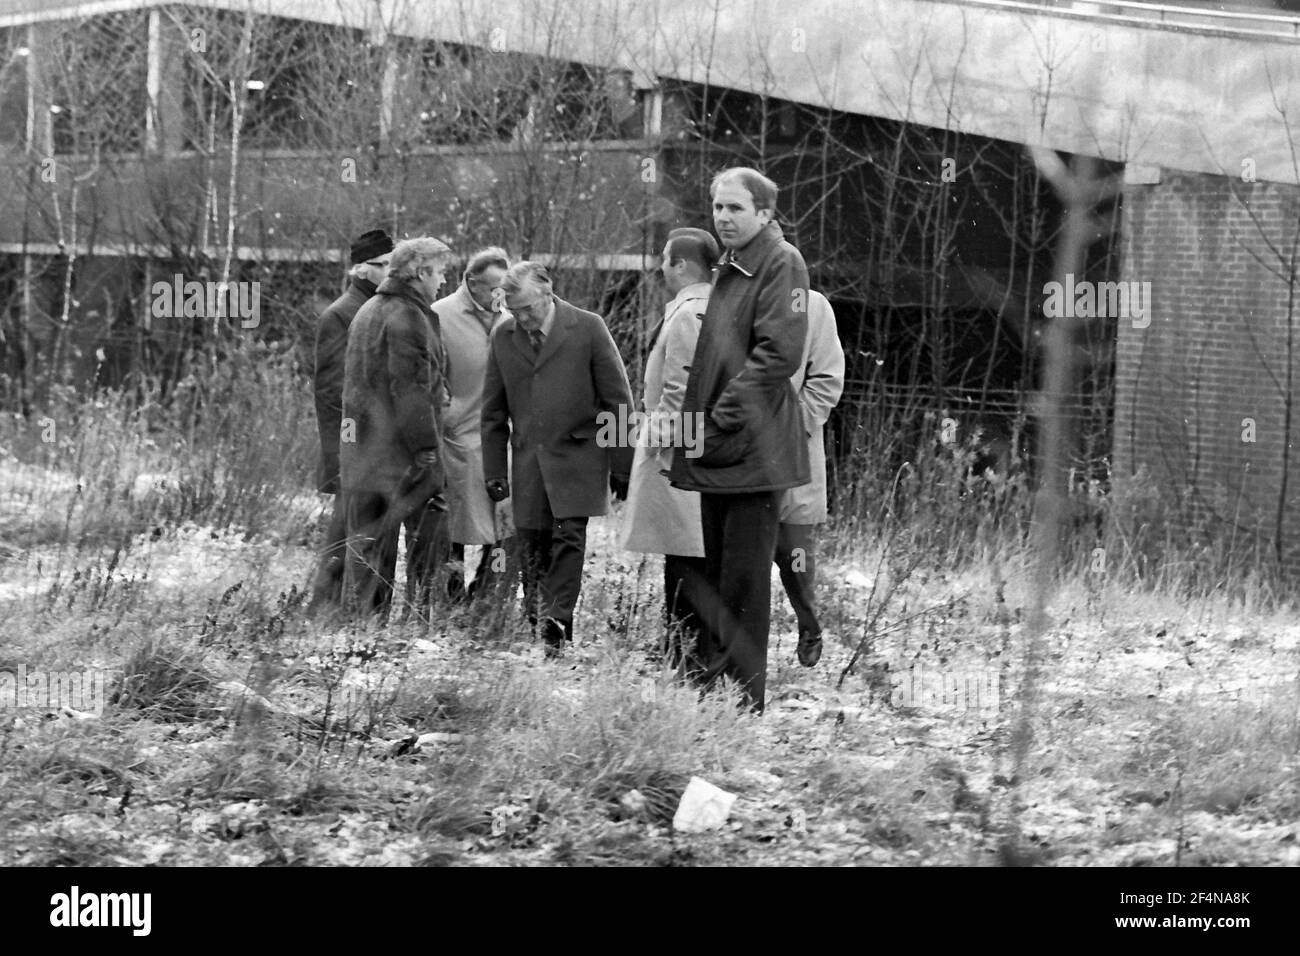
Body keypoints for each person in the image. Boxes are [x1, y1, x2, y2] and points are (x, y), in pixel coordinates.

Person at [667, 167, 810, 712]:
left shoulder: (781, 262)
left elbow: (780, 354)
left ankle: (741, 699)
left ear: (765, 214)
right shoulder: (735, 266)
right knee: (718, 574)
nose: (723, 217)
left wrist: (721, 417)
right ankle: (718, 687)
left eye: (736, 209)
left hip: (753, 448)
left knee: (745, 583)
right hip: (722, 450)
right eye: (718, 207)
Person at [481, 261, 634, 657]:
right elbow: (493, 413)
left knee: (568, 541)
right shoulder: (503, 337)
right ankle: (542, 623)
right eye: (514, 311)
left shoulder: (587, 328)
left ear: (548, 295)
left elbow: (617, 400)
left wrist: (622, 463)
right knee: (531, 548)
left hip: (578, 458)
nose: (523, 318)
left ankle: (555, 624)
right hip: (529, 464)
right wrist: (494, 470)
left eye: (529, 309)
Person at [618, 228, 717, 669]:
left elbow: (680, 388)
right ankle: (681, 644)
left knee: (684, 551)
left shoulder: (688, 314)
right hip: (693, 444)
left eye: (664, 259)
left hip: (679, 451)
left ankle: (683, 648)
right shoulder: (704, 308)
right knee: (686, 551)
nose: (660, 267)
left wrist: (654, 440)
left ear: (680, 264)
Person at [339, 236, 454, 618]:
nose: (443, 282)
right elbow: (411, 389)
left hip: (366, 453)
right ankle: (420, 624)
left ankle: (365, 637)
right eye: (439, 273)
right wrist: (427, 449)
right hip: (403, 455)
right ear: (420, 273)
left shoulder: (369, 309)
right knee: (427, 545)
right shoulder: (408, 316)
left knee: (370, 550)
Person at [309, 228, 393, 610]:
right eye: (384, 265)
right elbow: (331, 393)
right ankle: (322, 611)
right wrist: (351, 450)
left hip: (377, 450)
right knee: (345, 536)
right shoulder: (341, 315)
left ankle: (359, 615)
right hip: (355, 451)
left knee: (368, 535)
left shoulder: (381, 308)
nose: (392, 271)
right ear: (361, 269)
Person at [431, 246, 515, 601]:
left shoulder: (511, 319)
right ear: (470, 282)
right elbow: (432, 378)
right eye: (495, 287)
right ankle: (450, 596)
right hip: (457, 439)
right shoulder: (440, 316)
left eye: (505, 289)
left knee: (501, 531)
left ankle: (486, 596)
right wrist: (447, 419)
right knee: (454, 528)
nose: (501, 296)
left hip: (501, 441)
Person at [775, 290, 845, 667]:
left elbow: (827, 377)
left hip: (791, 455)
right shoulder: (730, 294)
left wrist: (793, 424)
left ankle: (808, 623)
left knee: (796, 552)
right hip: (737, 456)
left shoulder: (812, 306)